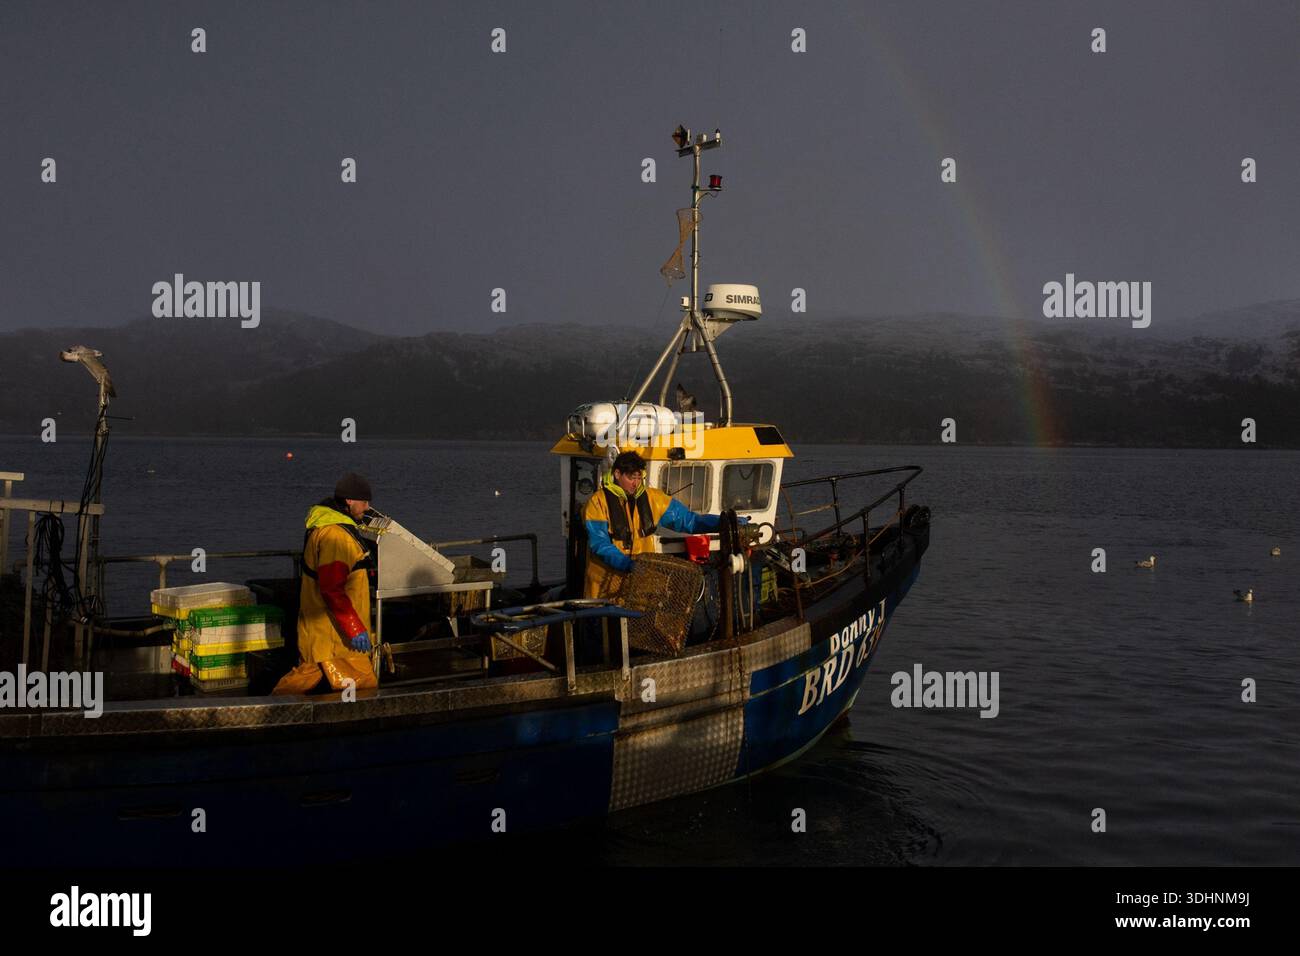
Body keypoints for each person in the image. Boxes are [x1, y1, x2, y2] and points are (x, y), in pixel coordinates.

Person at [273, 472, 378, 694]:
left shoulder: (325, 525)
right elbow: (332, 589)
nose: (367, 508)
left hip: (318, 629)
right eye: (364, 502)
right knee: (362, 685)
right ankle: (357, 723)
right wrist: (354, 629)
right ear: (349, 501)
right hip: (337, 636)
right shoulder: (336, 536)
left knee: (307, 673)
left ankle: (270, 710)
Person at [582, 450, 735, 599]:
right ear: (617, 474)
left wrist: (724, 521)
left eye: (638, 477)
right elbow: (600, 544)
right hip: (605, 589)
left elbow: (689, 521)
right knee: (603, 623)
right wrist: (627, 564)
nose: (635, 483)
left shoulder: (653, 498)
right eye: (631, 477)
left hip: (641, 585)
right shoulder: (597, 502)